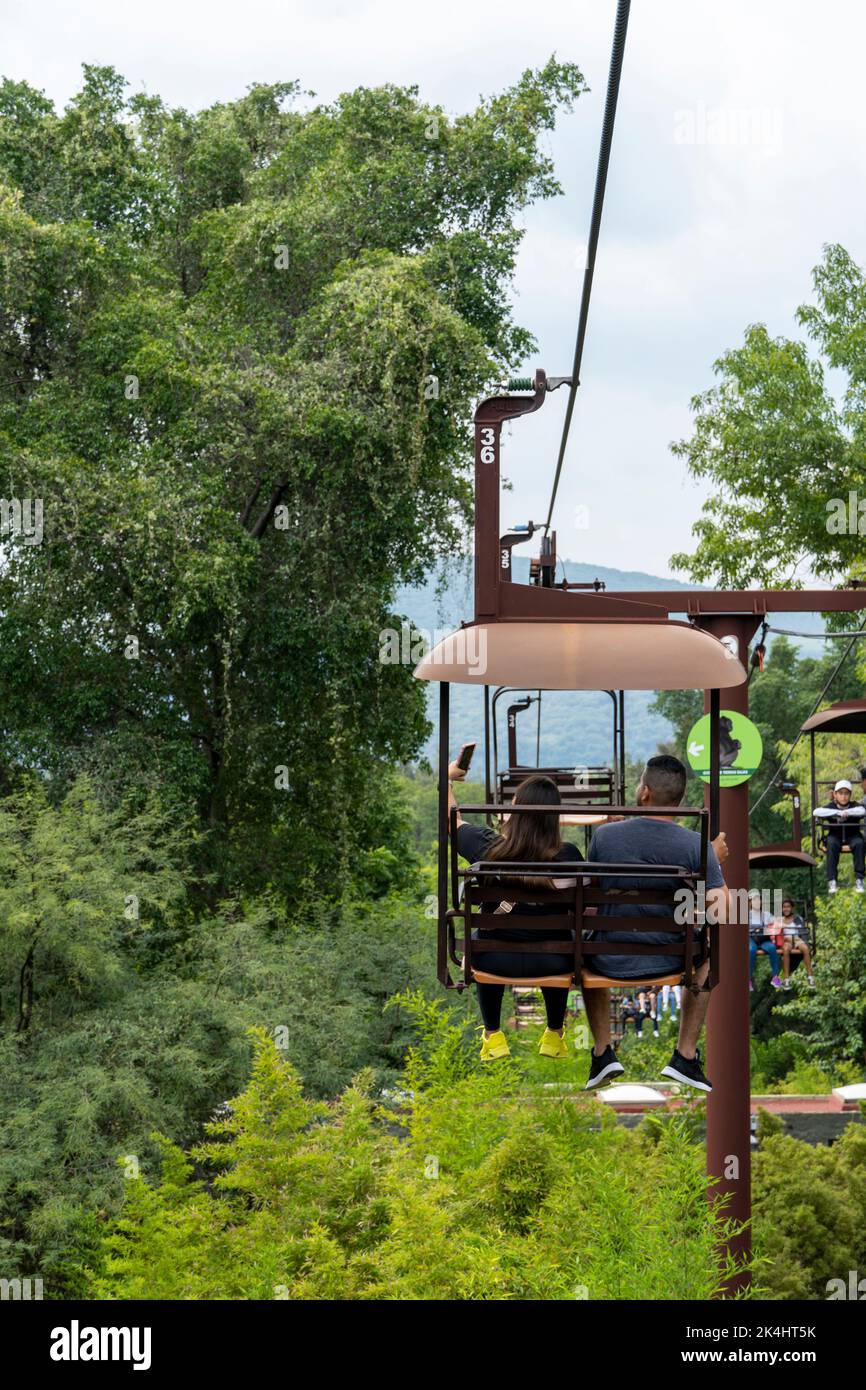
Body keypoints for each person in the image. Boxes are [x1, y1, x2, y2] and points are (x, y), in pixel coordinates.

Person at [579, 755, 729, 1094]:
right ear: (677, 800)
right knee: (707, 957)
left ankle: (603, 1051)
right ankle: (685, 1055)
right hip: (672, 958)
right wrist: (708, 865)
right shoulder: (695, 844)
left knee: (584, 945)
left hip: (607, 958)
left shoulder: (605, 838)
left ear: (645, 792)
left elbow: (589, 898)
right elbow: (722, 907)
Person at [448, 757, 582, 1062]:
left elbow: (450, 820)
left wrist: (448, 777)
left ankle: (493, 1034)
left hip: (494, 961)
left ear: (516, 807)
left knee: (485, 935)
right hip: (556, 962)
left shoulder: (487, 846)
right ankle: (554, 1032)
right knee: (560, 936)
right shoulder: (569, 855)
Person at [813, 780, 865, 892]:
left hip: (853, 835)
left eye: (846, 794)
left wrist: (848, 812)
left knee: (860, 843)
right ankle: (832, 880)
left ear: (850, 795)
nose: (843, 797)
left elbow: (862, 811)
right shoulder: (831, 806)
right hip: (835, 836)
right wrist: (837, 813)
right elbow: (816, 812)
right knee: (831, 844)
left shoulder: (854, 805)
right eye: (840, 793)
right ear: (835, 795)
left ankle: (859, 879)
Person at [778, 896, 815, 988]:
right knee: (786, 949)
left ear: (791, 908)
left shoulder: (797, 918)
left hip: (797, 939)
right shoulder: (780, 920)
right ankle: (787, 979)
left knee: (805, 949)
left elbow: (803, 932)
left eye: (788, 907)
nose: (786, 909)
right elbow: (777, 934)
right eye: (784, 907)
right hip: (786, 939)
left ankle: (810, 977)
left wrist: (805, 942)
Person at [748, 890, 781, 990]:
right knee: (751, 950)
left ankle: (775, 976)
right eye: (754, 900)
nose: (757, 902)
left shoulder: (766, 915)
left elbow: (776, 925)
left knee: (772, 948)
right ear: (750, 902)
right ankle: (748, 979)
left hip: (763, 939)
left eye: (758, 900)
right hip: (751, 938)